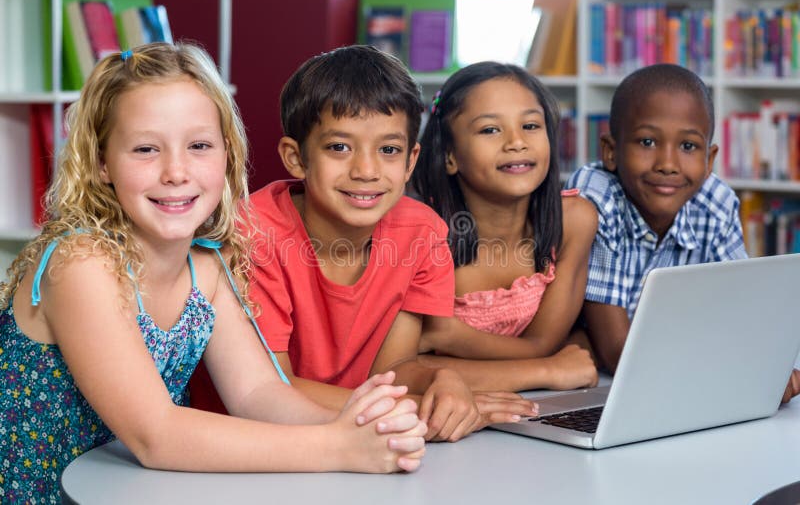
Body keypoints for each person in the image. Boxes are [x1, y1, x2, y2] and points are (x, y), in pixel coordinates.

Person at [0, 43, 428, 503]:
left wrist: (363, 426)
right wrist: (336, 447)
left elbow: (257, 392)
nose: (176, 172)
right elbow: (156, 435)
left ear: (227, 153)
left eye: (199, 146)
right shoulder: (81, 264)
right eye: (146, 149)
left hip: (131, 490)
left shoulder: (206, 265)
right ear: (102, 162)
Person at [190, 45, 537, 442]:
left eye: (389, 150)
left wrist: (443, 381)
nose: (367, 170)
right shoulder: (252, 234)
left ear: (410, 161)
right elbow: (272, 388)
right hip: (241, 445)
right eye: (339, 147)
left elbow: (393, 369)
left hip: (356, 441)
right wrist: (414, 410)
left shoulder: (422, 234)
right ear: (296, 157)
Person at [564, 63, 800, 402]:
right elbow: (617, 352)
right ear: (611, 151)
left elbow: (742, 312)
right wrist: (733, 373)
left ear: (709, 160)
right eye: (647, 142)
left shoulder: (715, 204)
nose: (668, 164)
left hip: (671, 370)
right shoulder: (597, 197)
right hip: (600, 381)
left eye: (688, 146)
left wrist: (767, 367)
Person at [408, 61, 598, 393]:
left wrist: (449, 336)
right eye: (490, 130)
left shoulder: (573, 221)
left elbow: (542, 343)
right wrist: (549, 371)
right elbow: (400, 370)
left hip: (532, 403)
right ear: (450, 156)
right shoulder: (421, 237)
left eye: (530, 125)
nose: (516, 142)